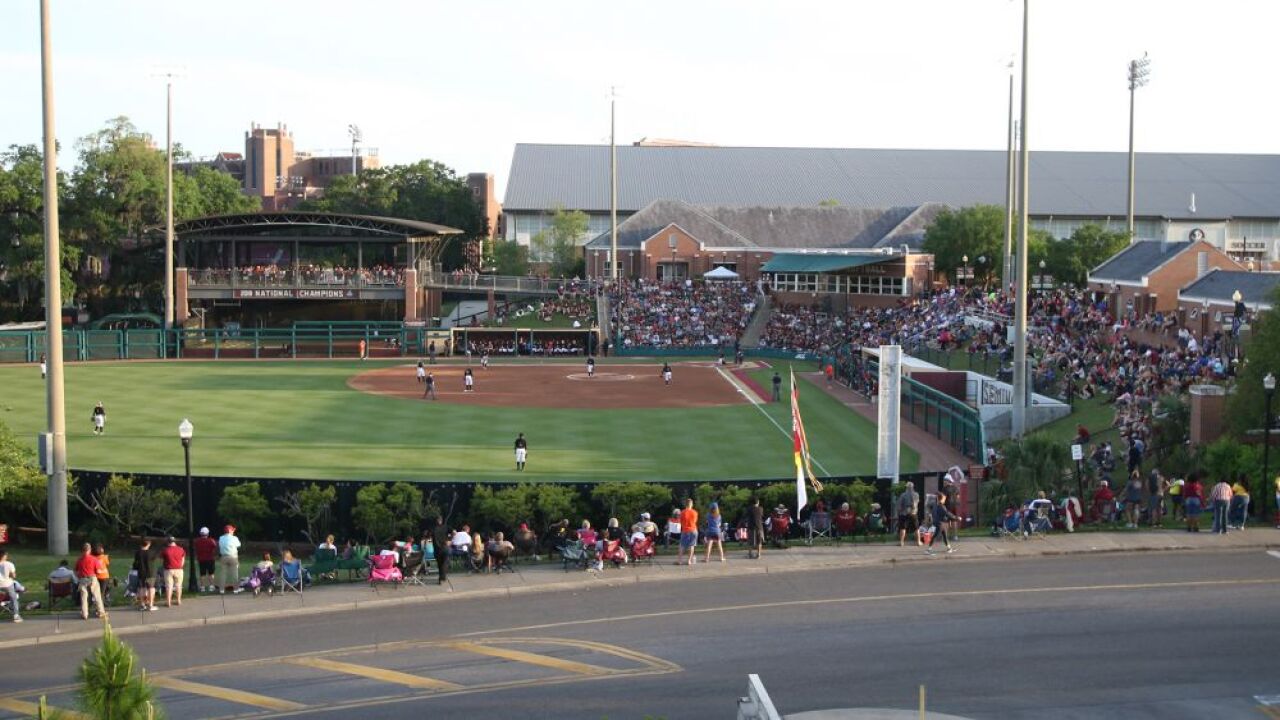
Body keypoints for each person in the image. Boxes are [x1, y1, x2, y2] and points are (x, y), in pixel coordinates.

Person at [74, 543, 106, 620]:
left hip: (82, 579)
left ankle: (85, 614)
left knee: (84, 597)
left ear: (83, 550)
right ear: (90, 550)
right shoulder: (94, 559)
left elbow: (76, 571)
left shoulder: (79, 559)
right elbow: (98, 571)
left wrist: (78, 576)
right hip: (92, 578)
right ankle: (101, 612)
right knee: (97, 596)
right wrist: (103, 571)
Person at [160, 537, 186, 607]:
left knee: (169, 586)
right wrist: (180, 566)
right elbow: (183, 560)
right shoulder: (181, 549)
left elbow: (161, 560)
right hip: (179, 569)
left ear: (168, 542)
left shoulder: (165, 550)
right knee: (178, 586)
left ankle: (168, 602)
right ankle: (178, 600)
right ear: (175, 541)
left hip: (168, 570)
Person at [132, 538, 157, 611]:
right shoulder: (151, 552)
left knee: (142, 588)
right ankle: (150, 604)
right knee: (151, 588)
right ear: (149, 544)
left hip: (141, 572)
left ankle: (142, 605)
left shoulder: (138, 553)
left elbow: (135, 562)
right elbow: (154, 559)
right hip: (150, 573)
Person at [0, 550, 24, 623]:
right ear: (4, 556)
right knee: (14, 598)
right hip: (7, 584)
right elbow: (13, 576)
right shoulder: (9, 564)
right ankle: (16, 615)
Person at [217, 525, 242, 593]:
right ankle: (236, 589)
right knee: (234, 573)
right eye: (232, 530)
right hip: (233, 556)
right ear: (230, 531)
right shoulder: (234, 538)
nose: (233, 531)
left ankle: (221, 589)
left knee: (223, 573)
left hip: (223, 557)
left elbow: (220, 545)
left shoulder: (221, 538)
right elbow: (239, 545)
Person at [194, 527, 218, 592]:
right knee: (211, 573)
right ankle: (211, 586)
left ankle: (202, 587)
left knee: (202, 574)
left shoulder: (197, 541)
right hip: (210, 558)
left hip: (201, 559)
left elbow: (196, 549)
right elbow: (215, 548)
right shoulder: (211, 540)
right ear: (207, 533)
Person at [678, 498, 699, 566]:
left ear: (685, 504)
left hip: (685, 530)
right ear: (691, 504)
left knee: (682, 546)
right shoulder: (695, 512)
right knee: (691, 546)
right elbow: (695, 521)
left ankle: (680, 560)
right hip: (693, 530)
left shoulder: (682, 512)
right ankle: (689, 560)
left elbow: (680, 522)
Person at [431, 517, 450, 585]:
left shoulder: (433, 529)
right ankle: (442, 577)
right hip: (444, 548)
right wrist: (449, 539)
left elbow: (429, 537)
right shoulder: (445, 527)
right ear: (441, 521)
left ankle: (441, 578)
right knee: (445, 563)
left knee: (440, 564)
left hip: (437, 549)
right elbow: (453, 532)